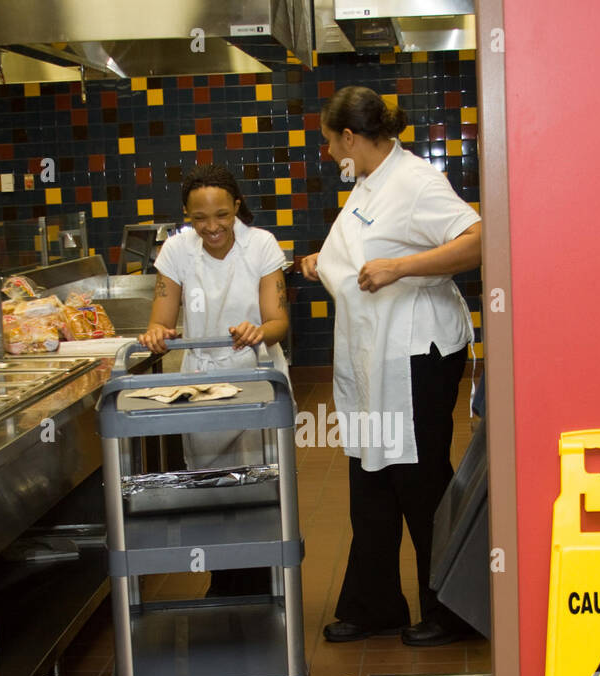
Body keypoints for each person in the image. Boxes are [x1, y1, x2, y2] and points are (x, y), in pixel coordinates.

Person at [301, 86, 482, 647]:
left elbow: (480, 240)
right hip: (371, 359)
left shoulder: (416, 181)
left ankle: (455, 610)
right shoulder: (368, 184)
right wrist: (321, 263)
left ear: (351, 137)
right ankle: (374, 603)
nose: (329, 153)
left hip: (415, 356)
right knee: (370, 478)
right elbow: (358, 253)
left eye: (331, 142)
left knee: (419, 480)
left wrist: (401, 267)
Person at [140, 164, 292, 595]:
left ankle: (264, 579)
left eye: (222, 215)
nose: (212, 227)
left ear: (237, 207)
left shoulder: (260, 245)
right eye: (199, 218)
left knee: (261, 485)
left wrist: (258, 331)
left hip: (257, 379)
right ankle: (225, 580)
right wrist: (158, 333)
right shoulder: (175, 251)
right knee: (213, 488)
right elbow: (162, 318)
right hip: (203, 383)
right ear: (186, 216)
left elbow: (278, 320)